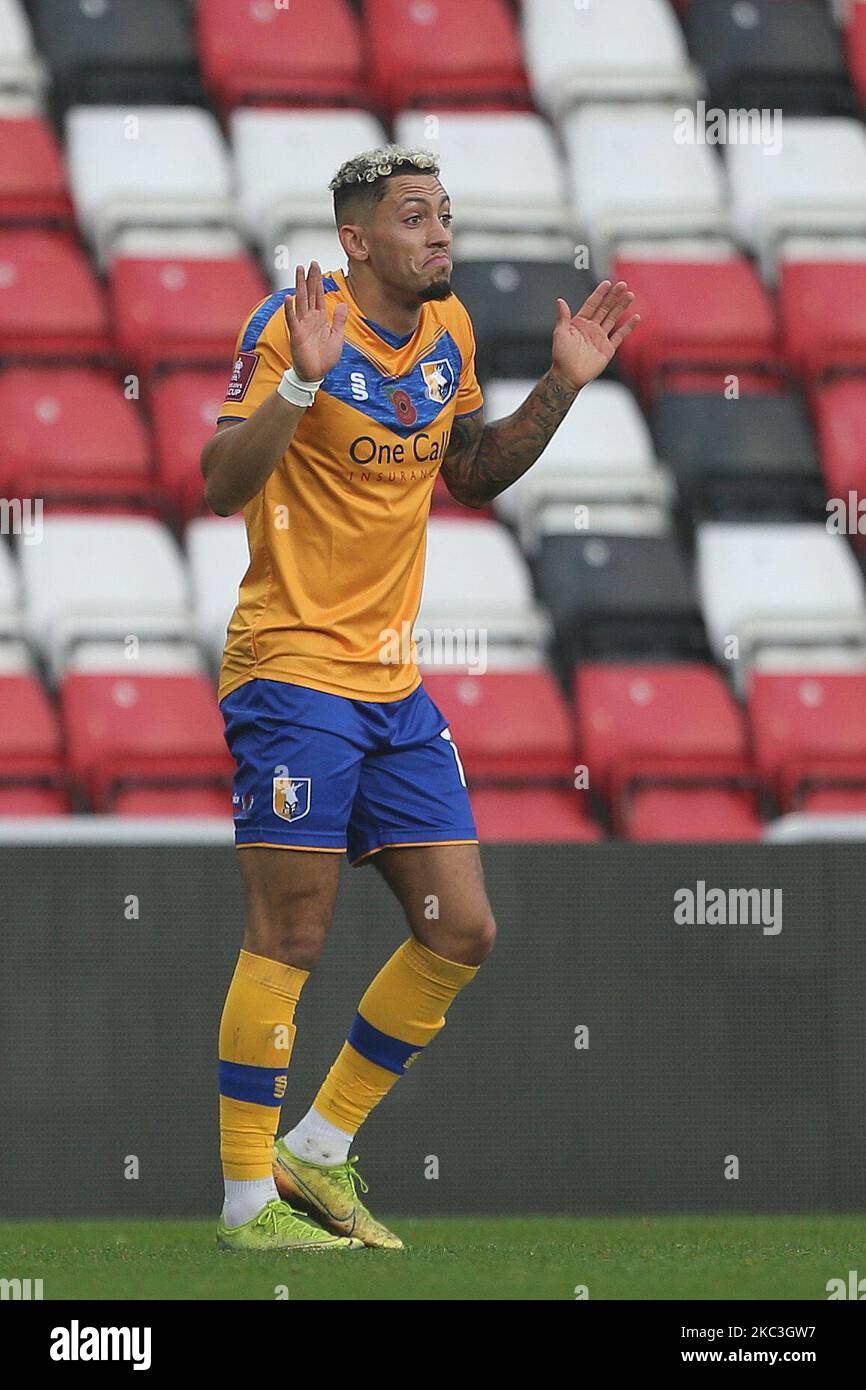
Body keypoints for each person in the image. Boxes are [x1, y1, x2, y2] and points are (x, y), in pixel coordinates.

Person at [202, 144, 640, 1252]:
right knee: (291, 930)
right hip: (292, 665)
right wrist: (299, 381)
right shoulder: (289, 324)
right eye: (413, 217)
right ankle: (247, 1201)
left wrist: (563, 382)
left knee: (462, 927)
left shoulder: (447, 334)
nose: (439, 234)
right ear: (357, 242)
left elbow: (471, 472)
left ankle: (318, 1144)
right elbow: (217, 485)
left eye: (444, 213)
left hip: (391, 683)